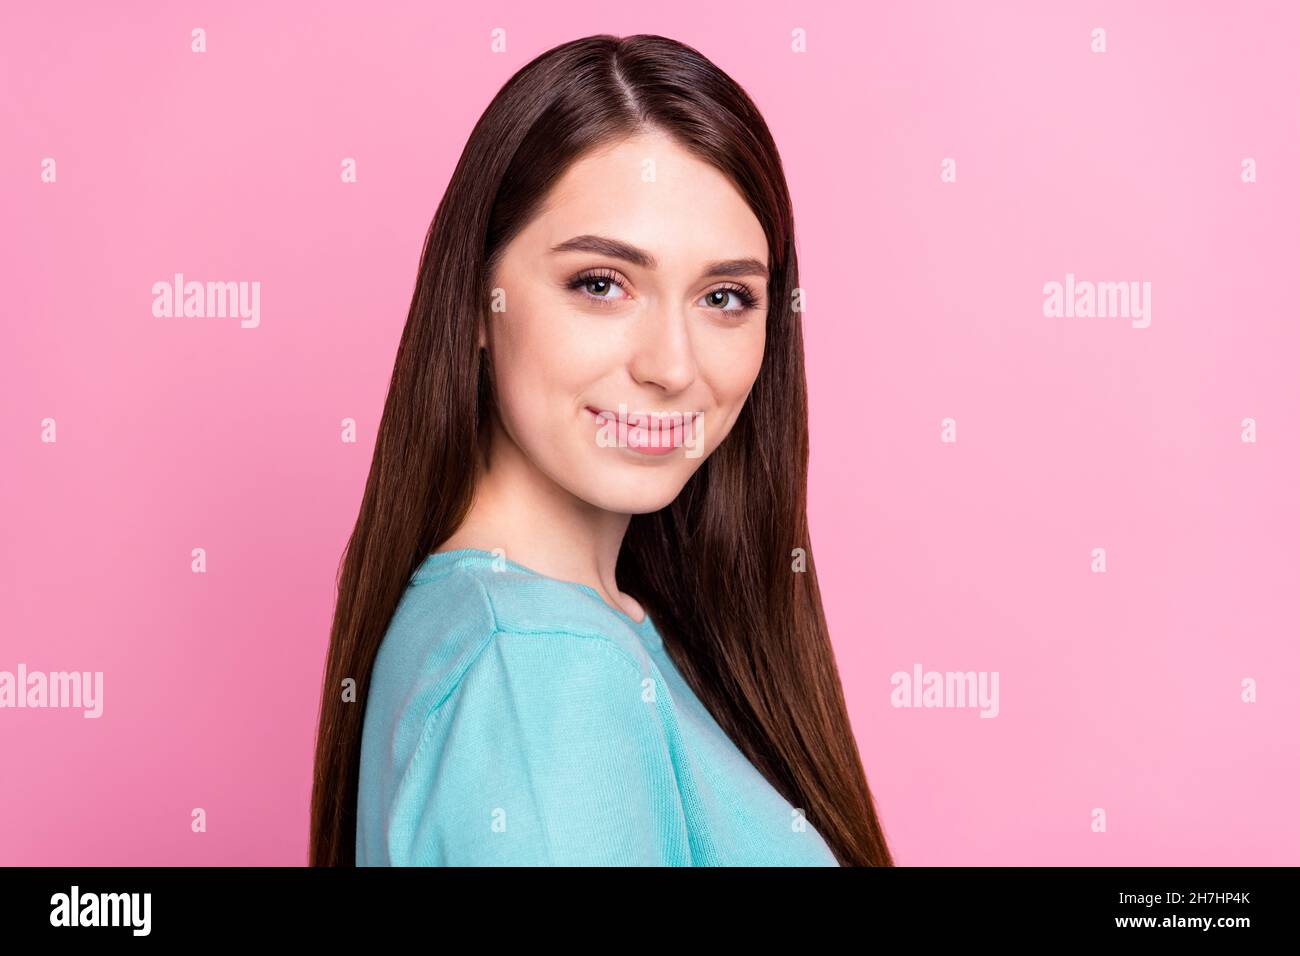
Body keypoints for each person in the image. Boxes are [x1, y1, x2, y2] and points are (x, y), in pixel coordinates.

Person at [310, 33, 893, 867]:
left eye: (725, 297)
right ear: (479, 301)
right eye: (601, 284)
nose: (671, 366)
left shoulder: (557, 631)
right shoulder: (539, 667)